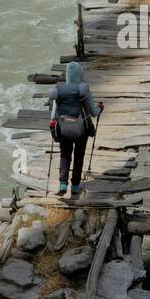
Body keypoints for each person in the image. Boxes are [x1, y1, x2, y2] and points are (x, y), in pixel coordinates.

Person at [48, 61, 104, 198]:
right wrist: (100, 108)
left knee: (65, 155)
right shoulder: (83, 90)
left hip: (64, 129)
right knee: (79, 156)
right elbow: (94, 112)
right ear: (80, 74)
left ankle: (62, 184)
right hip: (81, 131)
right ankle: (74, 186)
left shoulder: (60, 92)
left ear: (67, 75)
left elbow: (53, 114)